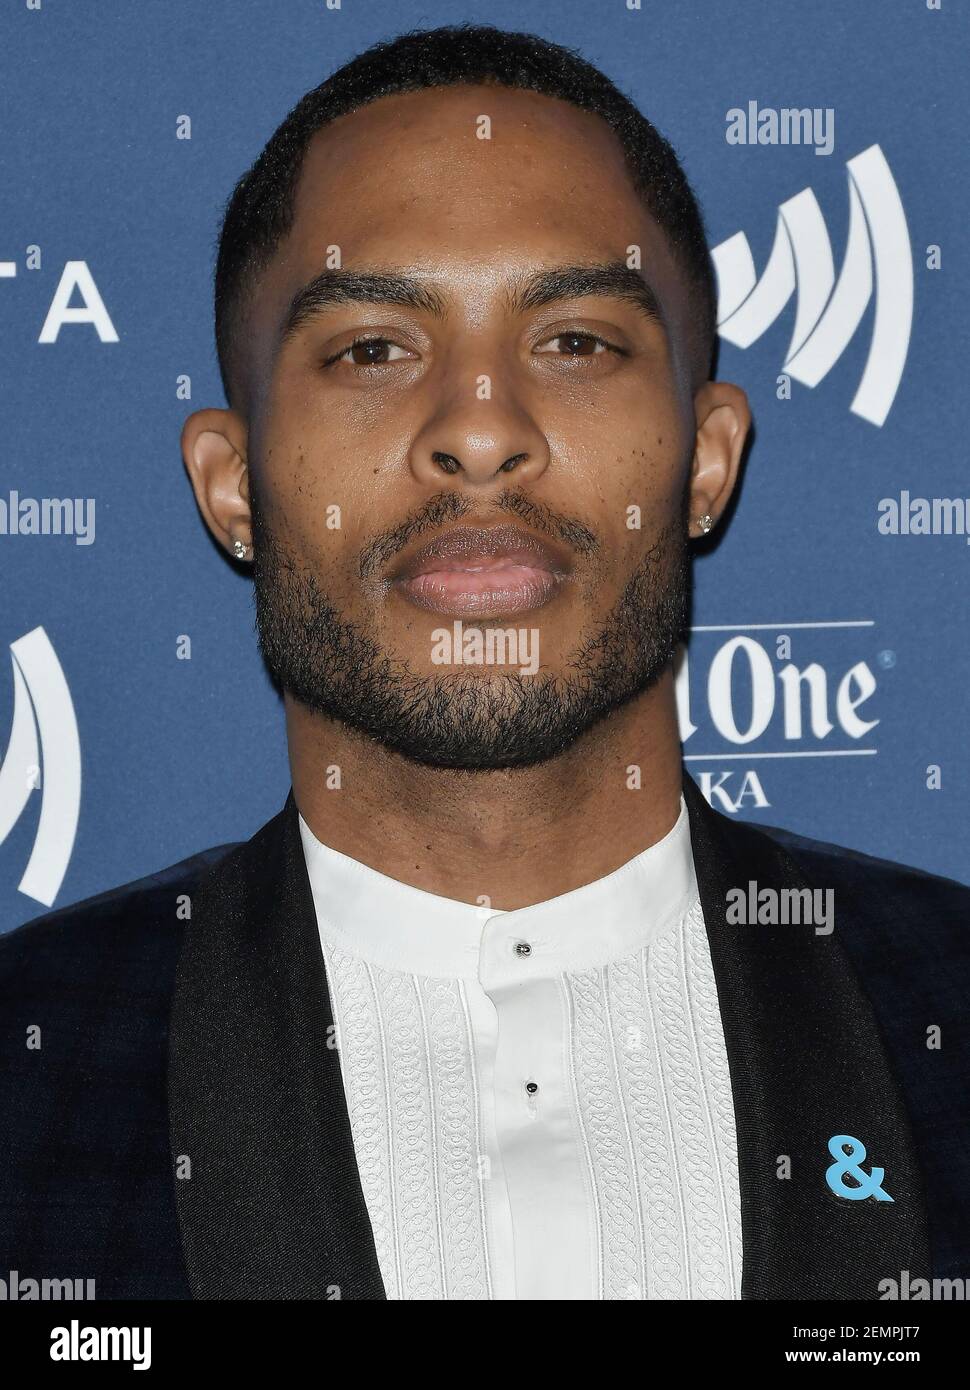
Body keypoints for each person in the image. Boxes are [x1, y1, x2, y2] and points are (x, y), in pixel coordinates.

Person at [2, 24, 967, 1302]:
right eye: (371, 349)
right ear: (231, 489)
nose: (477, 429)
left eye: (573, 341)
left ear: (707, 457)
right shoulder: (35, 1062)